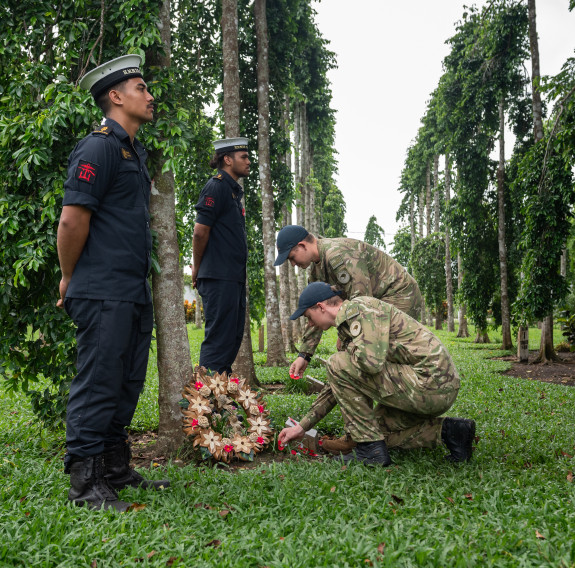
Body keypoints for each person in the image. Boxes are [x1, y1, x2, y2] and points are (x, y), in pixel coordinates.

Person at [57, 54, 168, 511]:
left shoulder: (132, 151)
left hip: (129, 290)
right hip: (101, 289)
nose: (150, 94)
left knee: (126, 384)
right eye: (141, 87)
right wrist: (68, 277)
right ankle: (85, 484)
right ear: (116, 97)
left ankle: (114, 468)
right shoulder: (99, 148)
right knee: (99, 383)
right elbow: (71, 221)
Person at [278, 282, 475, 466]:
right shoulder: (349, 322)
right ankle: (451, 432)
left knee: (337, 362)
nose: (310, 324)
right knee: (375, 431)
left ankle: (370, 451)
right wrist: (302, 426)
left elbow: (369, 364)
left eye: (308, 317)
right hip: (428, 386)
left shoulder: (360, 310)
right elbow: (337, 384)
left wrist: (348, 349)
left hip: (432, 382)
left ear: (321, 307)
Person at [274, 225, 424, 454]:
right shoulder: (317, 269)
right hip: (375, 305)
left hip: (398, 297)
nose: (293, 264)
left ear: (302, 246)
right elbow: (315, 310)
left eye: (292, 258)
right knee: (352, 360)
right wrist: (305, 354)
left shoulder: (338, 255)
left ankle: (364, 435)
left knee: (359, 361)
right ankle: (365, 431)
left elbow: (362, 302)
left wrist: (347, 337)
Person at [192, 137, 250, 375]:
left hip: (232, 277)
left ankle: (221, 403)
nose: (249, 161)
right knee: (218, 342)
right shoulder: (216, 186)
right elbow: (199, 231)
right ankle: (205, 405)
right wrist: (197, 268)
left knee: (231, 340)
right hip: (218, 277)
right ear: (227, 160)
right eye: (243, 157)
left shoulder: (233, 190)